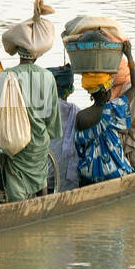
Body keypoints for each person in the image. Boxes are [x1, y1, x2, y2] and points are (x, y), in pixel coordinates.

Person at [0, 0, 61, 202]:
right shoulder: (48, 77)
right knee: (41, 179)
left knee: (15, 184)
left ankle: (18, 214)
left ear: (18, 50)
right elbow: (52, 117)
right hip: (39, 142)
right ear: (37, 54)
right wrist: (46, 132)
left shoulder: (5, 76)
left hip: (14, 141)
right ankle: (42, 208)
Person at [74, 42, 135, 185]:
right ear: (106, 91)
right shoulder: (112, 109)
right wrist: (129, 55)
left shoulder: (80, 116)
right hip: (114, 174)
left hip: (88, 175)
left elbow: (80, 150)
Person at [47, 65, 81, 193]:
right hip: (67, 175)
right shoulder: (76, 111)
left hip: (46, 173)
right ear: (70, 89)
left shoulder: (42, 110)